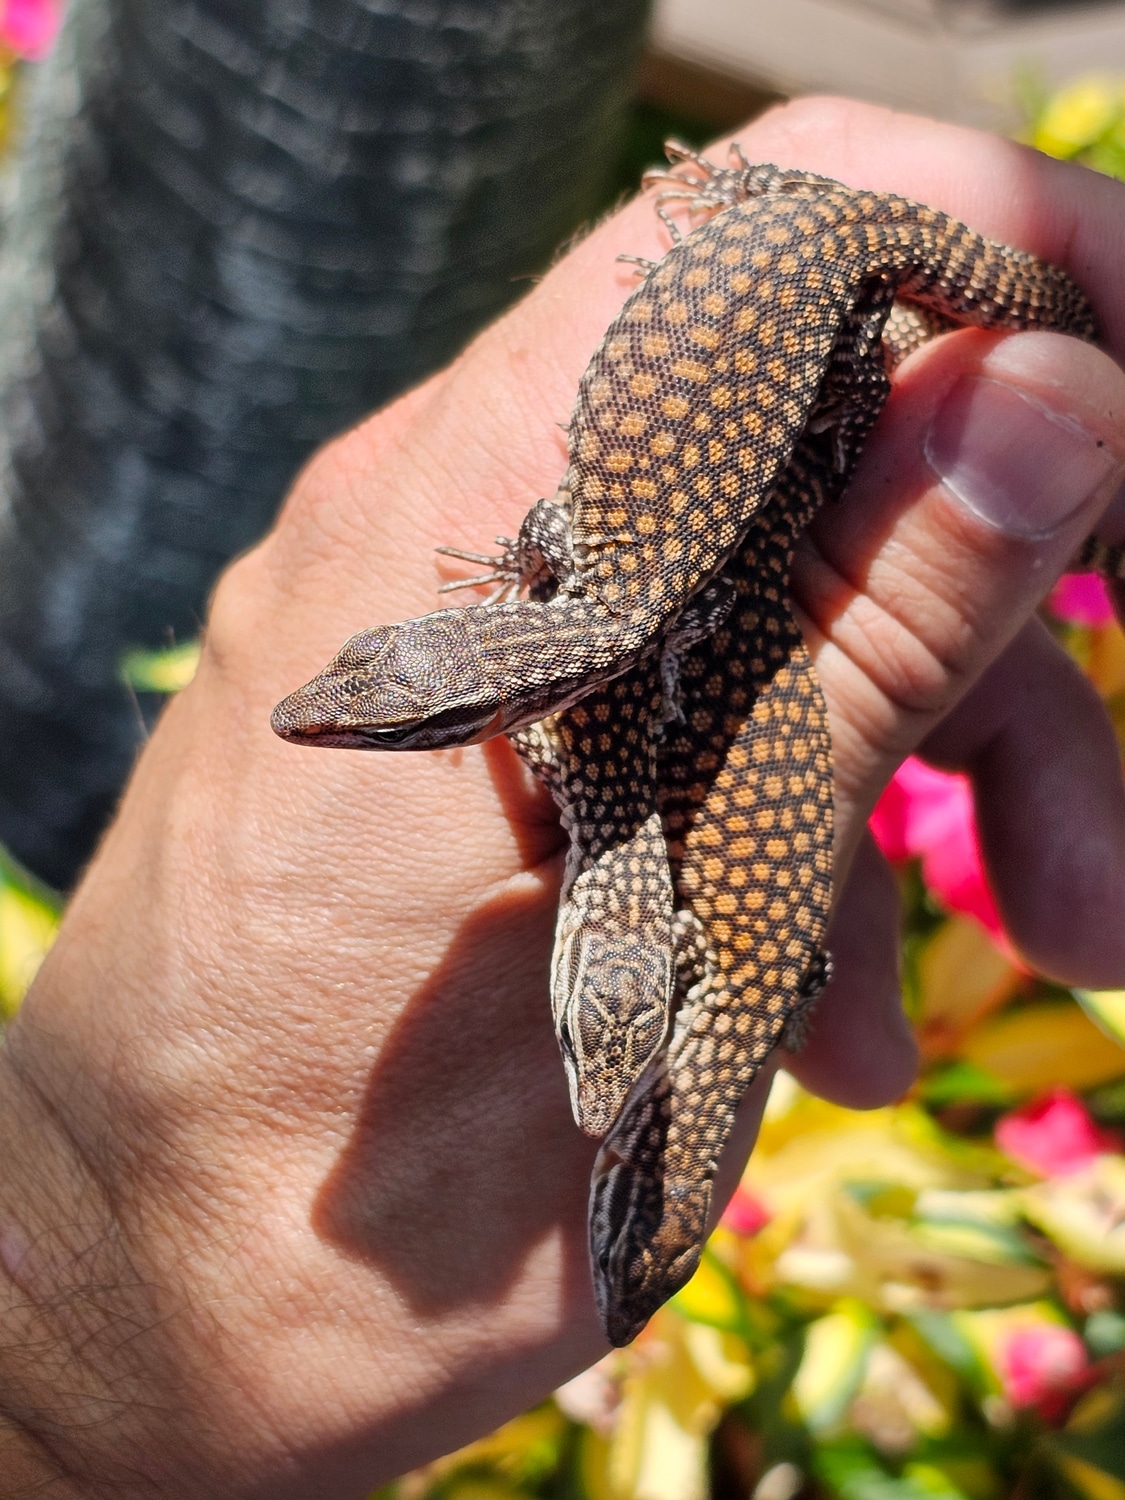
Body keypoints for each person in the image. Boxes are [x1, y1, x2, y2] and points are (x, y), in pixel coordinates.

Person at [3, 97, 1125, 1499]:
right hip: (800, 253)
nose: (330, 726)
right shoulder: (608, 616)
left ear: (490, 710)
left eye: (398, 715)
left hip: (827, 269)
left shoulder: (616, 633)